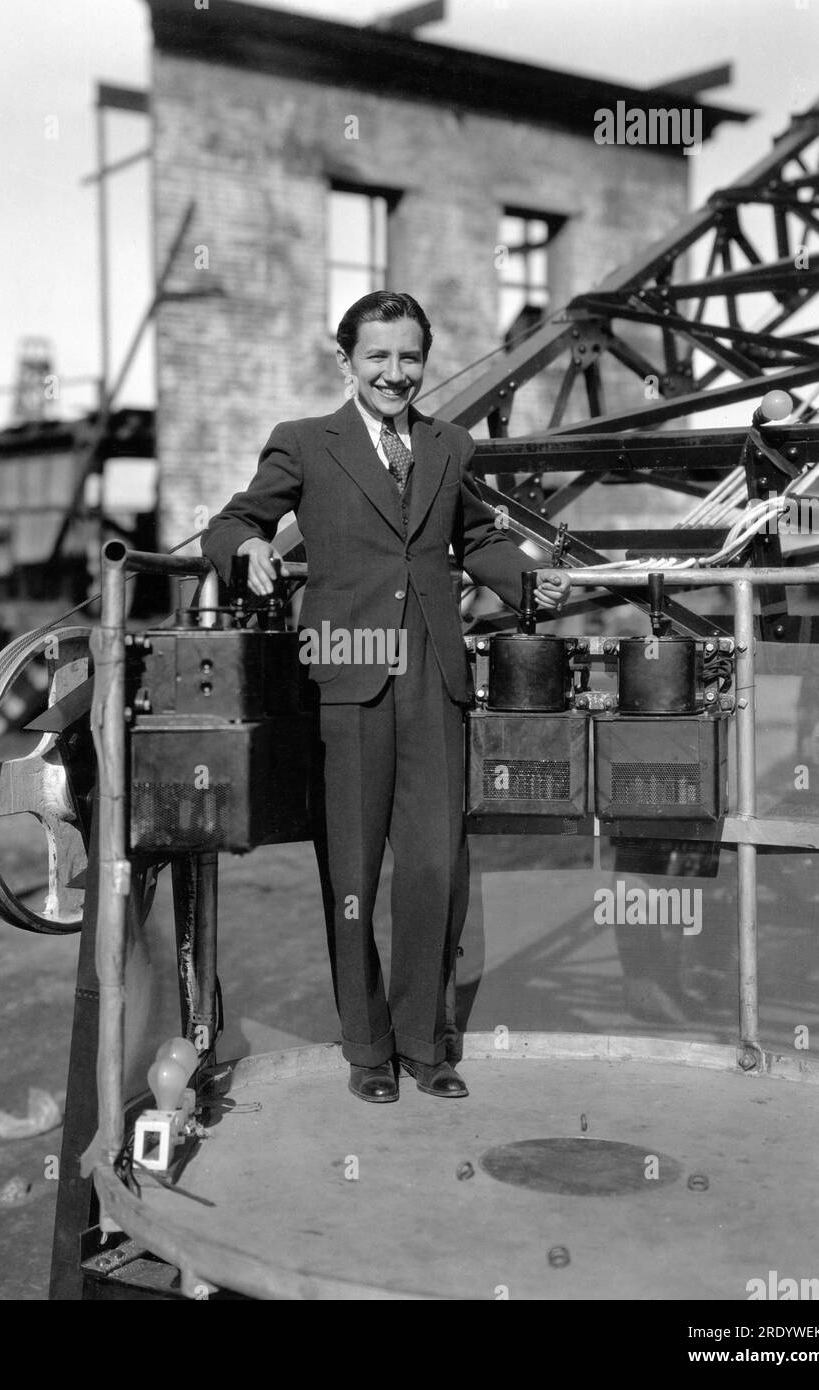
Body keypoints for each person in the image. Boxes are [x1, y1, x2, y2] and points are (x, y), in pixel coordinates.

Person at [201, 291, 570, 1103]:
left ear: (424, 362)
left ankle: (424, 1042)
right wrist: (252, 545)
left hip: (435, 678)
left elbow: (475, 540)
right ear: (346, 362)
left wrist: (538, 584)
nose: (394, 374)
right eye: (377, 357)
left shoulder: (449, 445)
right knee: (354, 874)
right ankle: (367, 1048)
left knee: (435, 868)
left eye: (409, 358)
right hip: (345, 677)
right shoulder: (304, 443)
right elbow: (226, 524)